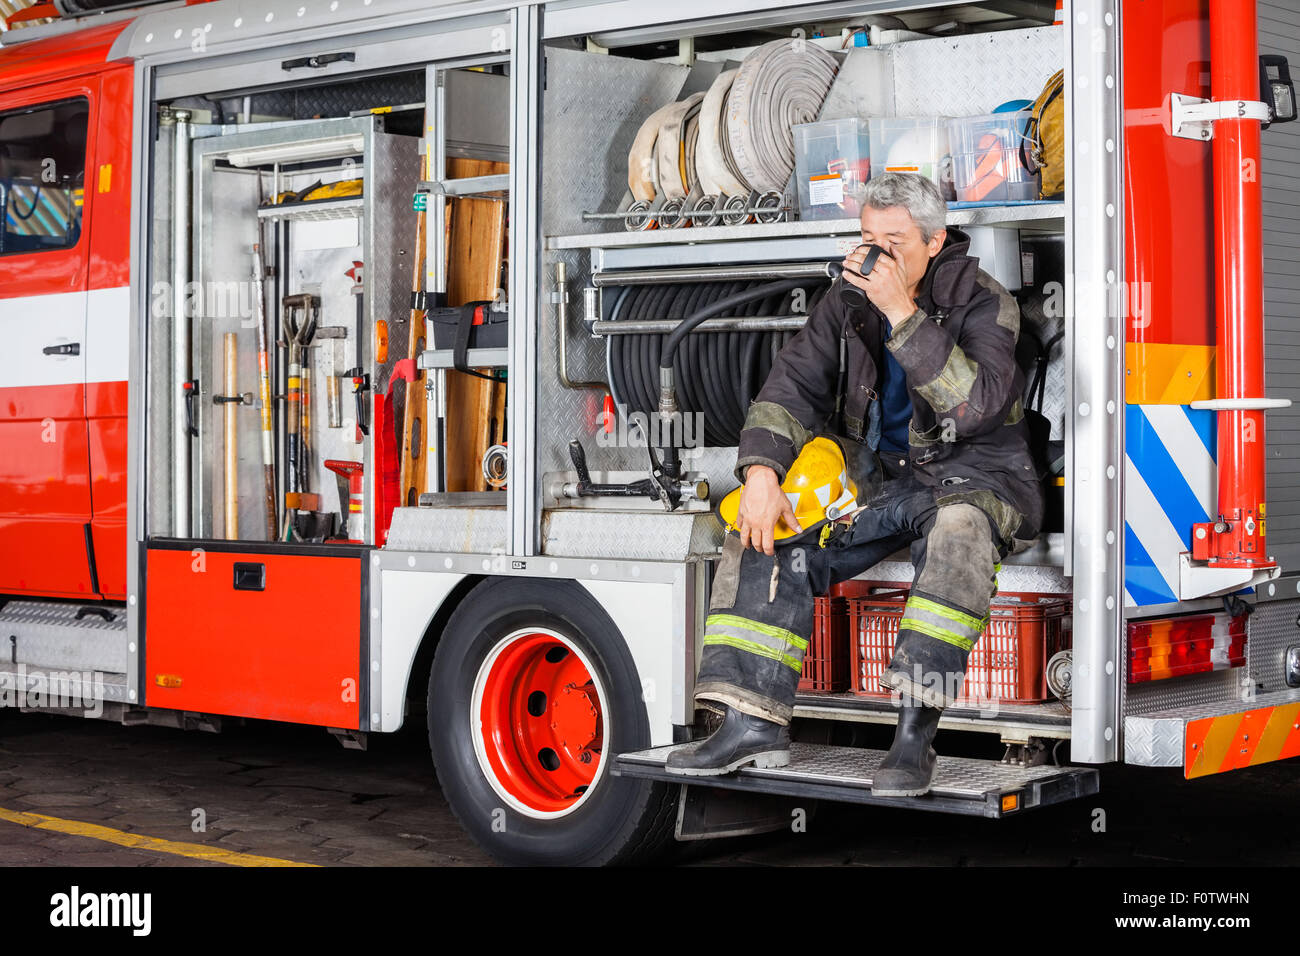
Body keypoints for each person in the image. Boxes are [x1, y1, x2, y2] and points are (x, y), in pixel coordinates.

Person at [666, 172, 1043, 796]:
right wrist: (761, 474)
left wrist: (901, 311)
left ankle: (914, 736)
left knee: (958, 534)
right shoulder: (844, 301)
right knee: (763, 527)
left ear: (934, 240)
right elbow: (789, 387)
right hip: (878, 477)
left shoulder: (985, 301)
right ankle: (748, 723)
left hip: (974, 476)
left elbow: (972, 408)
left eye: (893, 240)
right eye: (867, 236)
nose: (875, 254)